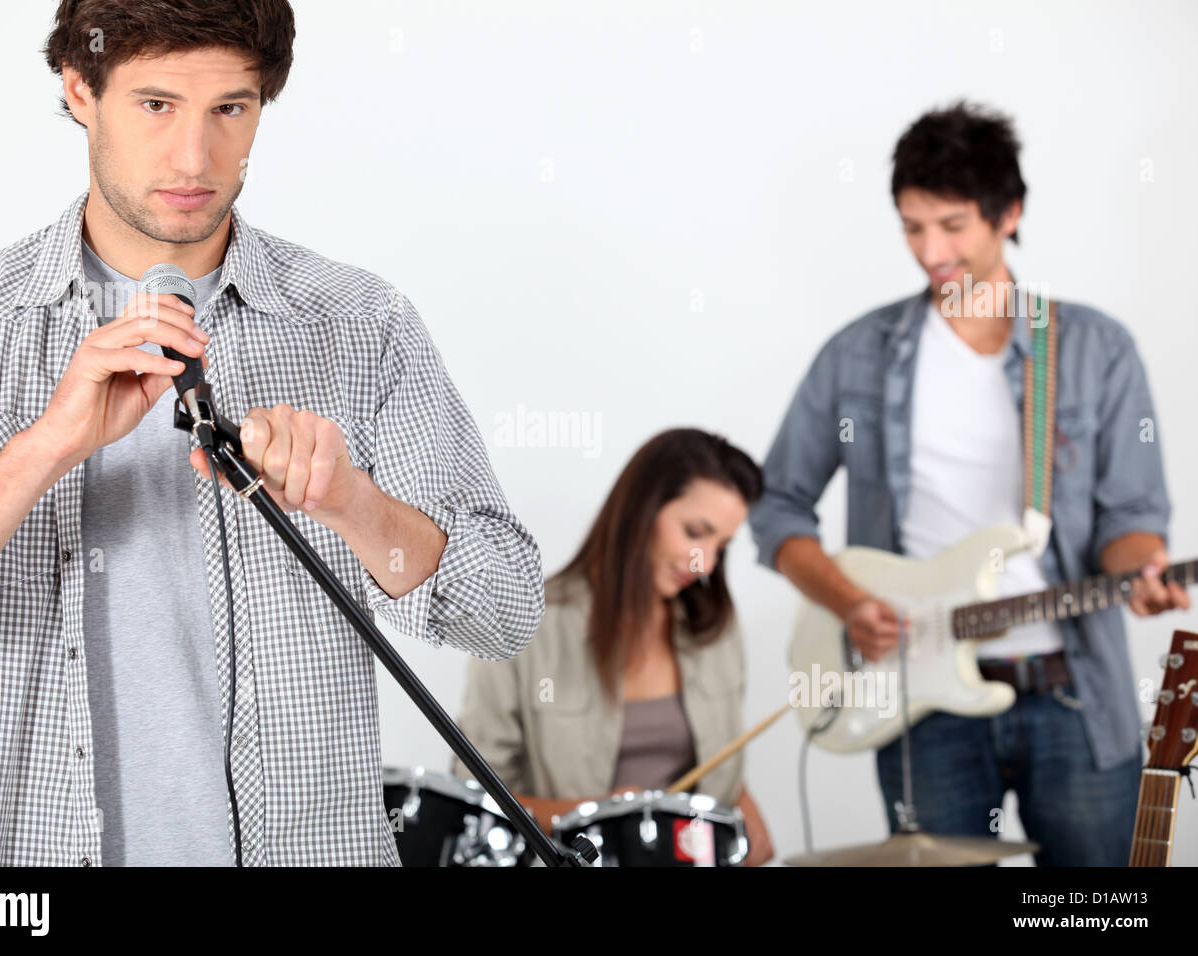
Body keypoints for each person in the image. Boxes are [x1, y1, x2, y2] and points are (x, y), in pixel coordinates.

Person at [0, 0, 544, 866]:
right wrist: (43, 448)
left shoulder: (360, 323)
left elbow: (505, 611)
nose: (195, 159)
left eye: (230, 109)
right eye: (157, 105)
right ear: (80, 88)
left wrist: (354, 505)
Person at [750, 101, 1189, 866]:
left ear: (1008, 213)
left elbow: (1132, 515)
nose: (930, 250)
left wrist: (1143, 572)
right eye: (912, 227)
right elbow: (776, 504)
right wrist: (848, 603)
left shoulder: (1093, 350)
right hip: (922, 704)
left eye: (951, 225)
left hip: (1074, 695)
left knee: (1099, 920)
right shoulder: (857, 355)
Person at [456, 429, 774, 866]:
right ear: (640, 511)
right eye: (695, 532)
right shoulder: (526, 623)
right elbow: (477, 795)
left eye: (722, 545)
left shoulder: (715, 627)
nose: (707, 563)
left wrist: (747, 823)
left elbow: (720, 767)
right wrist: (601, 814)